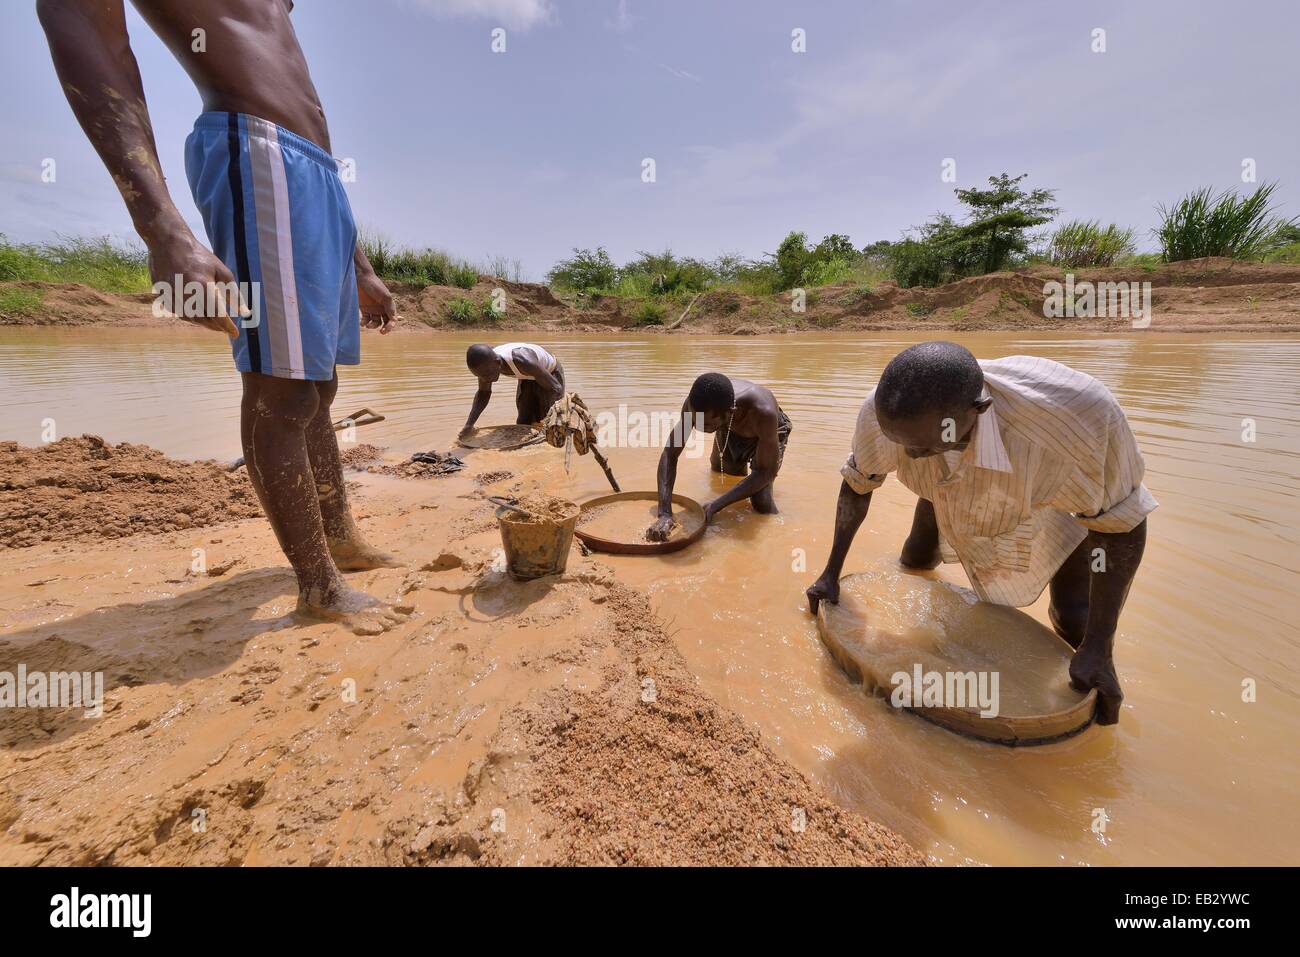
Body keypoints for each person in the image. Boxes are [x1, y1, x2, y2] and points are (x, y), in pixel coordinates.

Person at [37, 0, 410, 634]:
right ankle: (318, 586)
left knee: (318, 385)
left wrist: (359, 260)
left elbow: (302, 101)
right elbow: (80, 27)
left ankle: (340, 538)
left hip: (313, 172)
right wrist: (162, 228)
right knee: (282, 392)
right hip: (257, 151)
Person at [804, 341, 1155, 724]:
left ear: (978, 410)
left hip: (1046, 494)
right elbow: (858, 485)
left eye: (921, 446)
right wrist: (830, 572)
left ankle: (1092, 664)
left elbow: (1122, 526)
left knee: (1073, 616)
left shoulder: (1077, 422)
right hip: (941, 484)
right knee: (916, 560)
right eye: (899, 442)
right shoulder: (883, 415)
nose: (908, 455)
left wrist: (1099, 646)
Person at [648, 372, 791, 541]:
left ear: (731, 412)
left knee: (761, 502)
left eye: (707, 425)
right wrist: (665, 513)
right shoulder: (695, 407)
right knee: (723, 471)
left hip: (766, 431)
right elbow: (670, 454)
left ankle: (774, 537)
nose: (700, 428)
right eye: (696, 421)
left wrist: (716, 505)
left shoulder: (763, 413)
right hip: (728, 426)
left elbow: (766, 472)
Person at [459, 343, 565, 436]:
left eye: (487, 374)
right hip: (526, 376)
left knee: (548, 422)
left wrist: (553, 418)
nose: (485, 379)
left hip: (550, 374)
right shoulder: (485, 366)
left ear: (498, 362)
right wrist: (469, 425)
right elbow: (483, 393)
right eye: (480, 376)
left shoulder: (523, 361)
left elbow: (556, 388)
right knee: (523, 421)